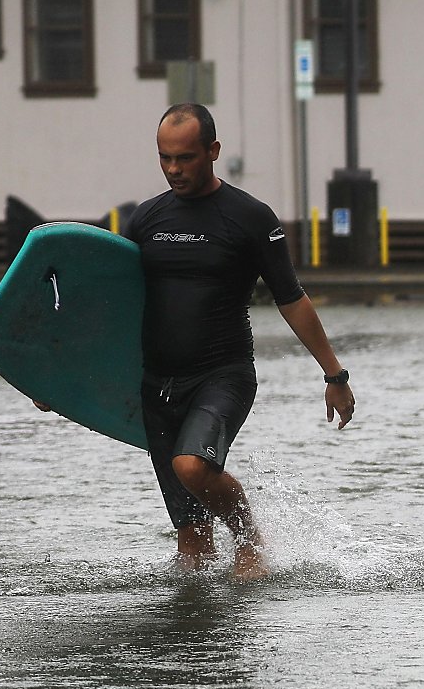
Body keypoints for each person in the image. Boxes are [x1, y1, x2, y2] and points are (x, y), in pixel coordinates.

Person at [119, 101, 352, 579]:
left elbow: (292, 298)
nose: (174, 169)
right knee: (192, 550)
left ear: (213, 151)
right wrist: (55, 378)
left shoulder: (249, 218)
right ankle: (200, 644)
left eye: (185, 157)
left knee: (193, 467)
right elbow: (111, 304)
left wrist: (334, 373)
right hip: (157, 387)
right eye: (165, 158)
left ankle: (250, 541)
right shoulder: (144, 221)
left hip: (221, 376)